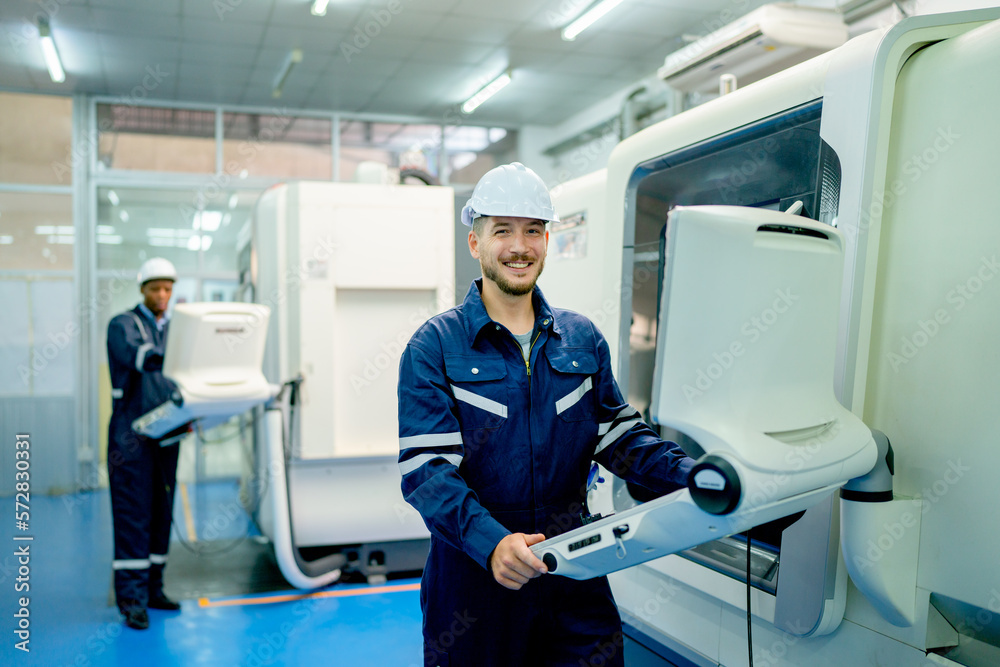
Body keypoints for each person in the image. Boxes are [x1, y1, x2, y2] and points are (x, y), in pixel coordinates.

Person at [397, 162, 696, 666]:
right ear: (476, 244)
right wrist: (491, 543)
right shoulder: (436, 346)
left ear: (546, 239)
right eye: (503, 231)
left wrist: (701, 477)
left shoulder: (581, 340)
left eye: (533, 231)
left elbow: (624, 439)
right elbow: (426, 474)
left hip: (573, 572)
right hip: (475, 586)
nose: (520, 246)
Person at [106, 257, 184, 630]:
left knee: (160, 512)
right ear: (142, 289)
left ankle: (155, 588)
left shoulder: (177, 329)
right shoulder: (123, 325)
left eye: (168, 288)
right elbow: (143, 358)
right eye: (155, 288)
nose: (162, 295)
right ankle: (132, 599)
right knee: (133, 514)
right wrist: (185, 352)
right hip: (130, 436)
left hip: (168, 434)